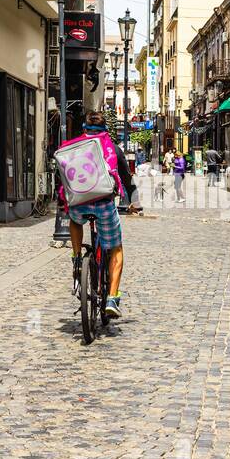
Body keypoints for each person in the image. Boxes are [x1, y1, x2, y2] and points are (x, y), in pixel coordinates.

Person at [60, 112, 128, 319]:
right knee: (116, 249)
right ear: (105, 129)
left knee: (74, 219)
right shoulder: (112, 149)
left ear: (84, 128)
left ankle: (77, 258)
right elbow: (125, 176)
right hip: (103, 204)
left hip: (79, 204)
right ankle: (112, 299)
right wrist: (132, 201)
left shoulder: (73, 148)